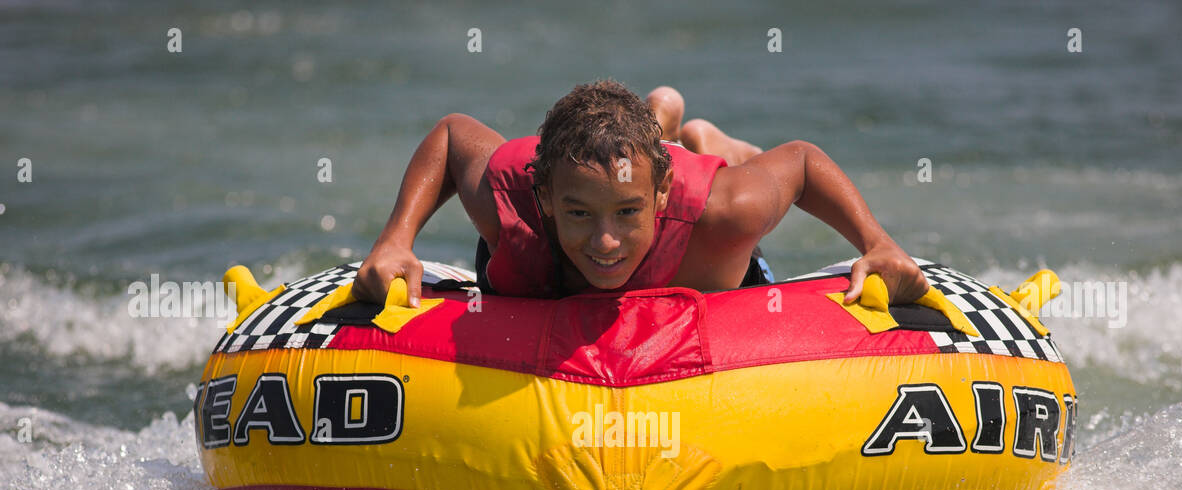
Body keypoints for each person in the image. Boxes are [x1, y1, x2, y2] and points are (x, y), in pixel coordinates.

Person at [353, 80, 928, 308]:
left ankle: (691, 137)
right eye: (577, 214)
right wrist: (395, 239)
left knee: (734, 166)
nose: (605, 241)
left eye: (627, 214)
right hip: (603, 171)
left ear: (660, 200)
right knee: (613, 171)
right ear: (545, 199)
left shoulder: (726, 213)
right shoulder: (512, 195)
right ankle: (661, 127)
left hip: (686, 188)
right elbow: (453, 134)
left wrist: (878, 243)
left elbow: (800, 162)